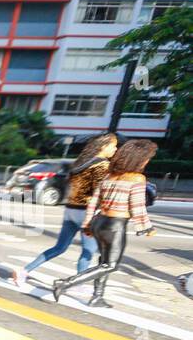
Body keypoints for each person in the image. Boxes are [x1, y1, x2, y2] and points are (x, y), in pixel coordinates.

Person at [52, 139, 157, 310]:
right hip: (114, 226)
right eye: (147, 158)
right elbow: (137, 206)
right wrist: (146, 227)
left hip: (99, 222)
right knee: (111, 265)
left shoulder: (110, 175)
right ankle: (64, 283)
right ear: (139, 159)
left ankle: (97, 297)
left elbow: (94, 201)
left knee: (104, 261)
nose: (147, 162)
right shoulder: (137, 178)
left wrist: (87, 224)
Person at [12, 133, 115, 290]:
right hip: (87, 212)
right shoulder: (102, 166)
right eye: (113, 146)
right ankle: (78, 284)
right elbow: (99, 192)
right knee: (88, 251)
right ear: (103, 146)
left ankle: (24, 271)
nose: (115, 149)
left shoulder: (80, 162)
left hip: (70, 209)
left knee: (59, 247)